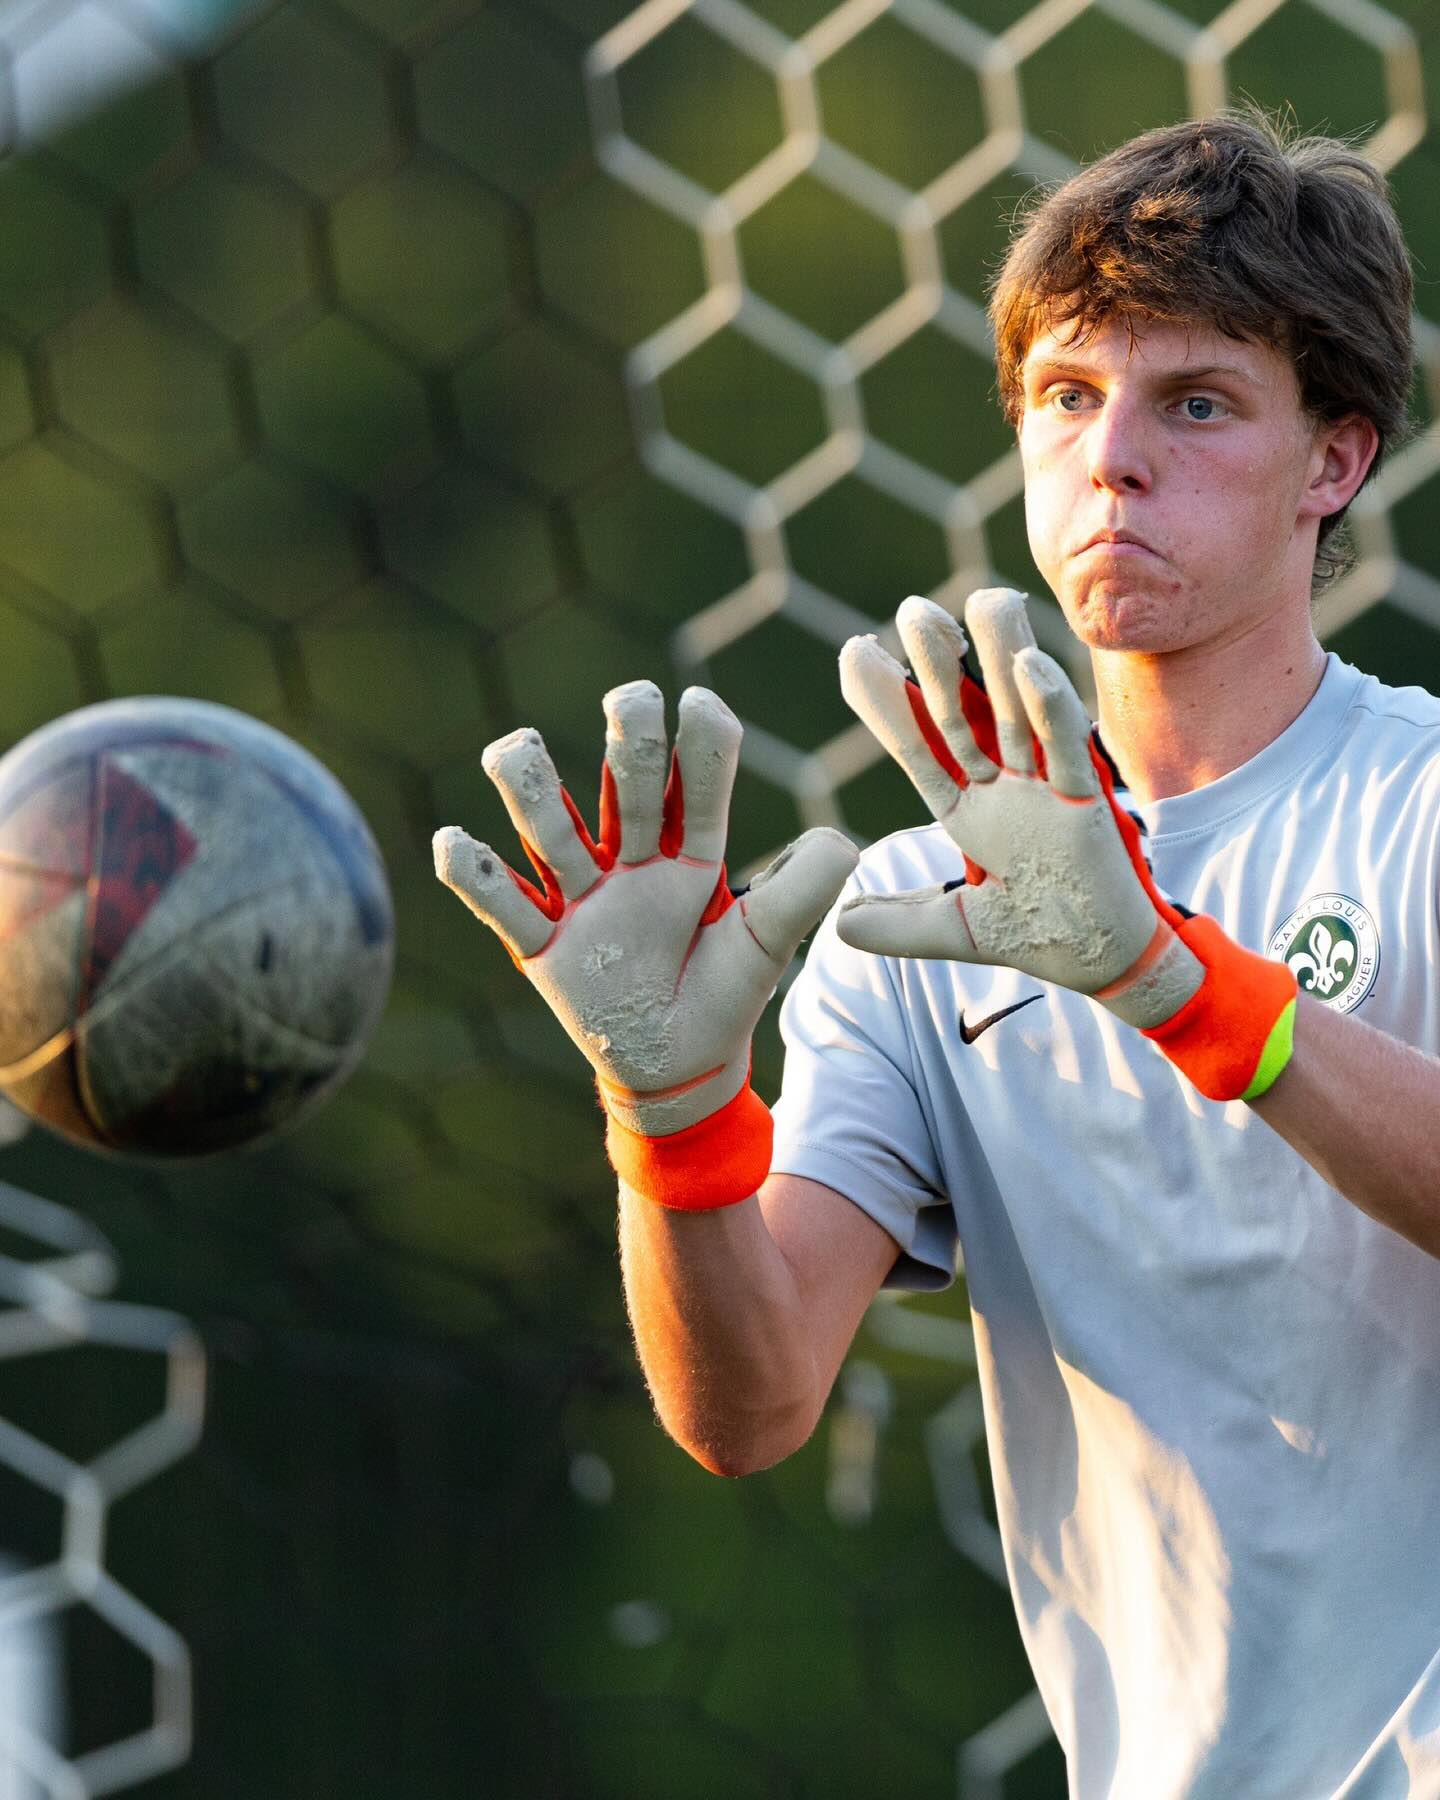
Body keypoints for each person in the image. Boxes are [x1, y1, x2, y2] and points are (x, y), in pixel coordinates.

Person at [434, 110, 1440, 1797]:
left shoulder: (1421, 802)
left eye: (1194, 403)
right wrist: (670, 1120)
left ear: (1332, 463)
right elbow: (744, 1410)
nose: (1113, 455)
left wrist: (1173, 982)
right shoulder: (920, 914)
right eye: (1067, 396)